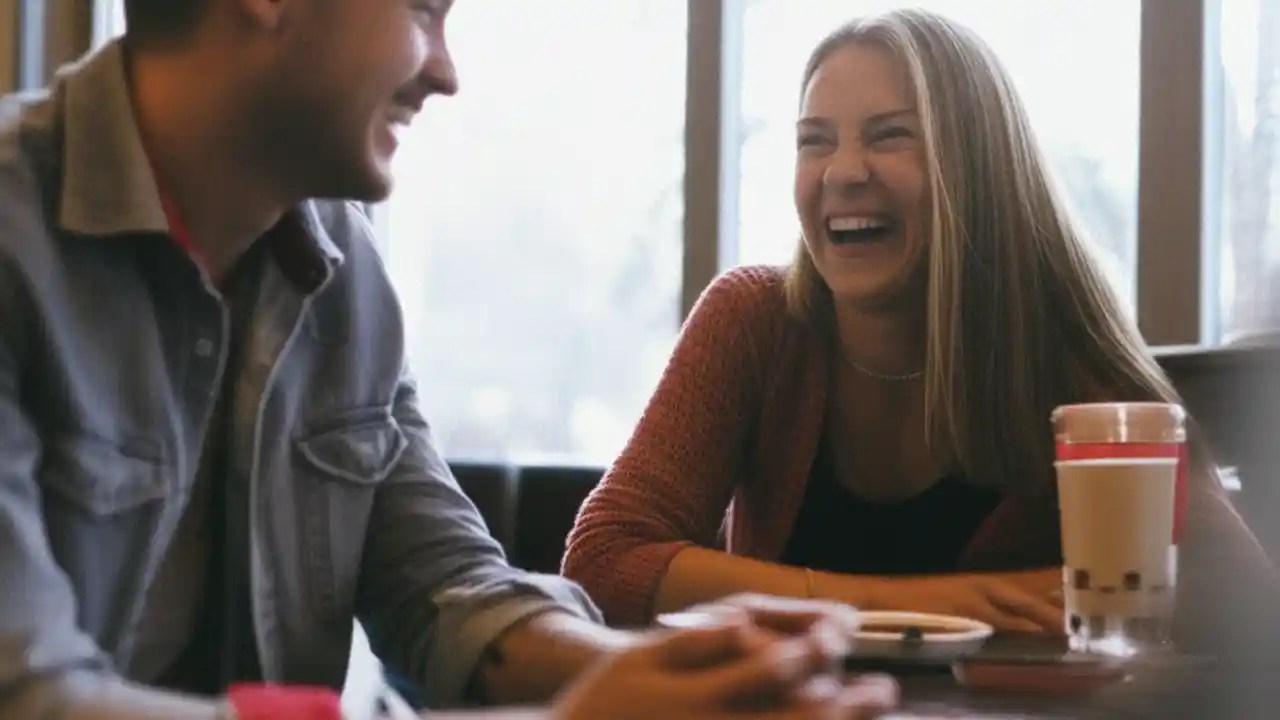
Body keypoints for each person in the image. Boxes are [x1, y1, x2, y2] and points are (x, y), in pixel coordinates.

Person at [0, 1, 901, 718]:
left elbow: (445, 590)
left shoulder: (343, 270)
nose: (445, 71)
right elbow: (30, 697)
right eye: (423, 12)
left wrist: (654, 677)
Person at [563, 8, 1279, 649]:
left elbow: (1247, 609)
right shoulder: (755, 320)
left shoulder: (1064, 358)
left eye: (891, 137)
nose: (842, 172)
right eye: (815, 141)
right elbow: (603, 561)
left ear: (976, 169)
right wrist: (924, 607)